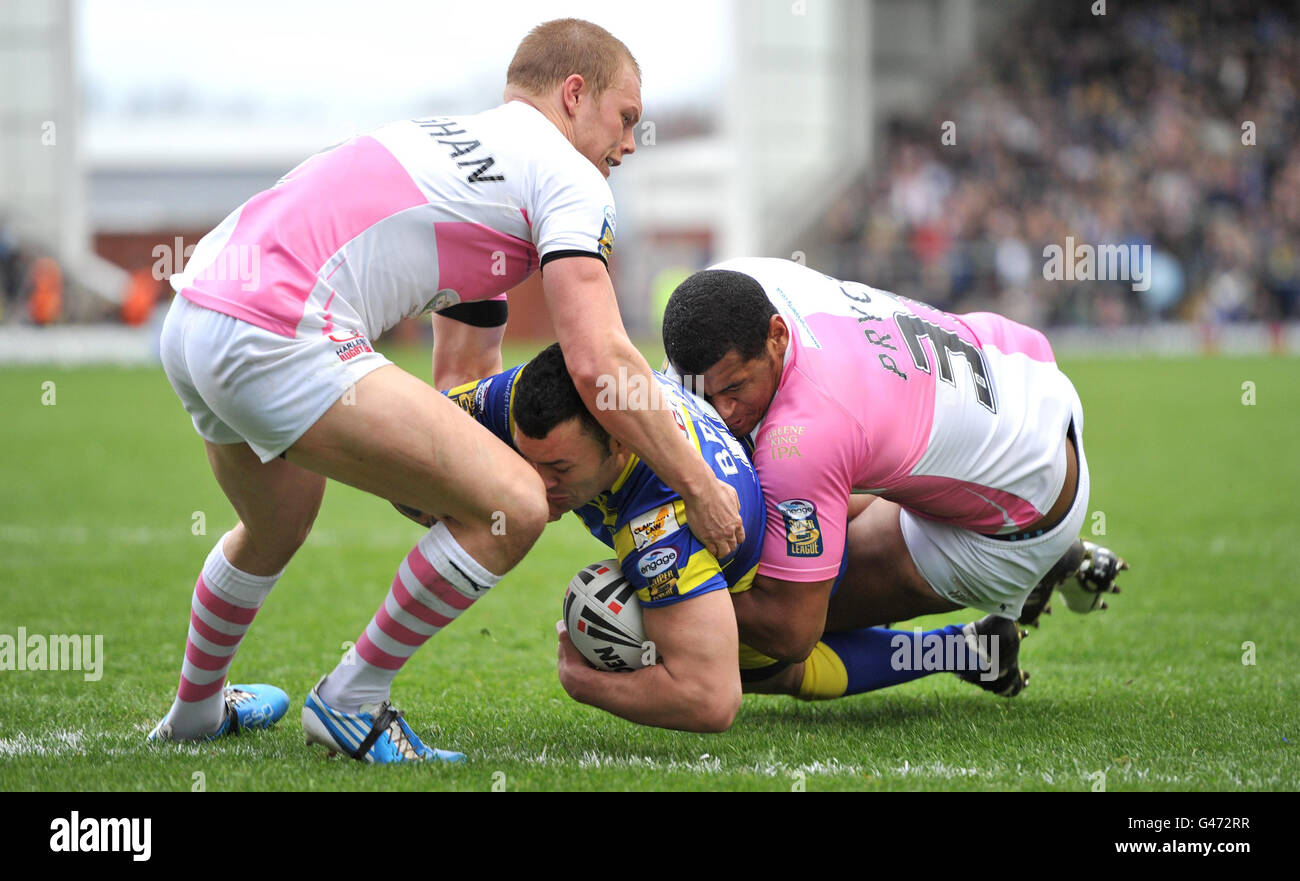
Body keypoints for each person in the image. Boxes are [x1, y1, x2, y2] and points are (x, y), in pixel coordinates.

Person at [147, 18, 743, 764]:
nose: (628, 144)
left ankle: (196, 710)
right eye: (626, 119)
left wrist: (440, 477)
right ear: (574, 94)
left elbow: (462, 377)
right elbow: (599, 360)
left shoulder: (471, 151)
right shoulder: (570, 177)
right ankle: (351, 702)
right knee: (516, 504)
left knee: (276, 524)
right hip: (277, 329)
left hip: (197, 310)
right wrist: (698, 483)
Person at [436, 343, 1038, 732]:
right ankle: (1001, 588)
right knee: (852, 505)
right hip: (782, 494)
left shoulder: (660, 537)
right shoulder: (561, 391)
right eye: (527, 460)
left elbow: (710, 701)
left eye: (559, 473)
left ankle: (970, 638)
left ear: (621, 442)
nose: (535, 488)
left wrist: (581, 681)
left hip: (770, 571)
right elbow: (427, 418)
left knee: (774, 669)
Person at [661, 257, 1127, 669]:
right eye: (703, 393)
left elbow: (792, 628)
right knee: (805, 508)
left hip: (1018, 521)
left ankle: (977, 638)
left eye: (735, 389)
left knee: (755, 643)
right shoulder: (751, 277)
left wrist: (661, 596)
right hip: (1019, 369)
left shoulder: (802, 439)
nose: (722, 412)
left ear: (777, 336)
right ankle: (1048, 563)